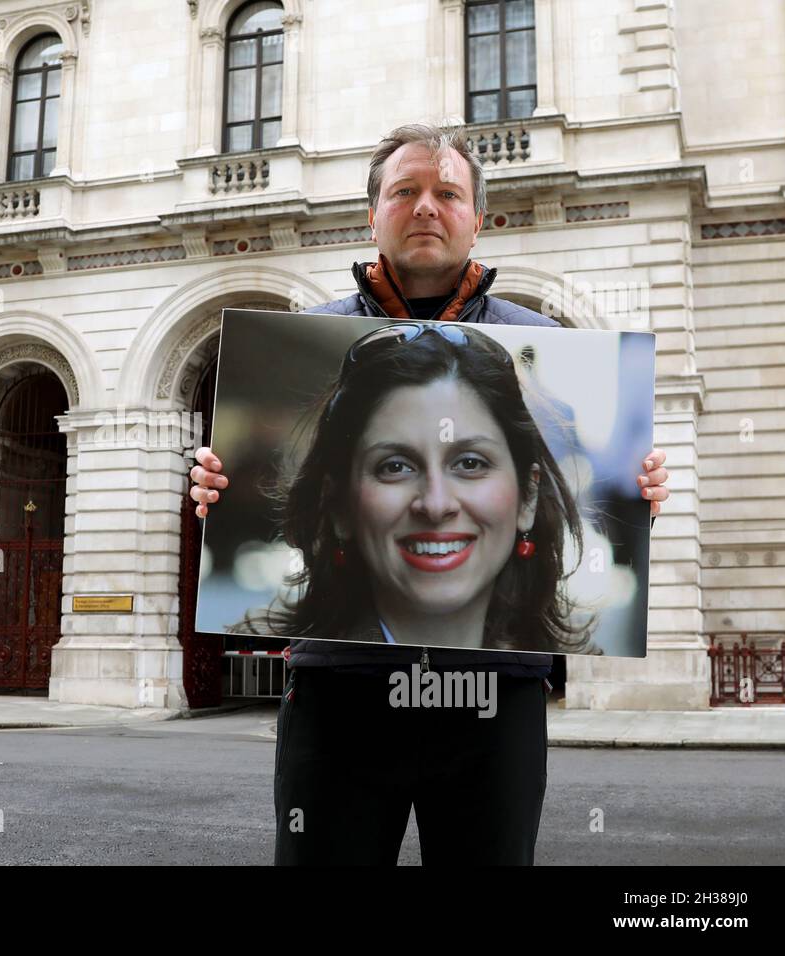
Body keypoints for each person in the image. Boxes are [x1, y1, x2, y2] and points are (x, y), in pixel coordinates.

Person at [189, 123, 672, 865]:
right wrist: (213, 489)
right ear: (371, 212)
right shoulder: (309, 334)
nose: (425, 208)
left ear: (478, 218)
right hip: (339, 697)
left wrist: (643, 495)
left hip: (495, 701)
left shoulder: (540, 339)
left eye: (448, 193)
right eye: (404, 191)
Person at [230, 321, 600, 656]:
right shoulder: (270, 659)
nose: (436, 504)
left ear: (527, 498)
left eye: (470, 463)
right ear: (339, 506)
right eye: (395, 467)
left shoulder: (576, 673)